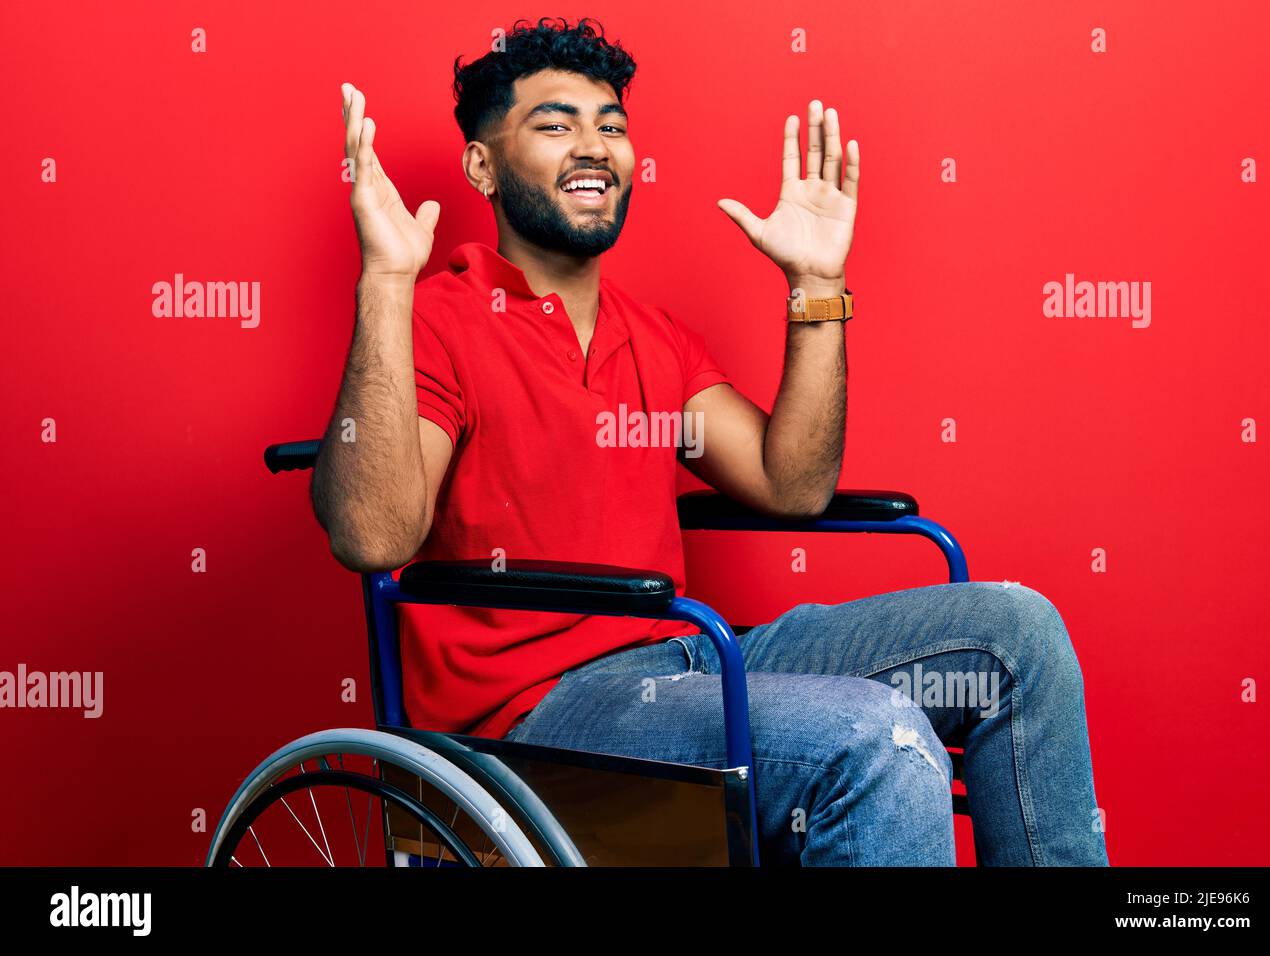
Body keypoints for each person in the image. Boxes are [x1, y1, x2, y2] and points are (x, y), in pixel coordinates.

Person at [311, 16, 1108, 866]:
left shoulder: (652, 336)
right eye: (555, 124)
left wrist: (816, 285)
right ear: (482, 165)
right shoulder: (438, 319)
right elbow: (373, 535)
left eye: (610, 126)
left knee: (1016, 636)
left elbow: (788, 482)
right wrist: (387, 282)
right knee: (875, 736)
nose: (594, 146)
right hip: (539, 717)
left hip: (685, 660)